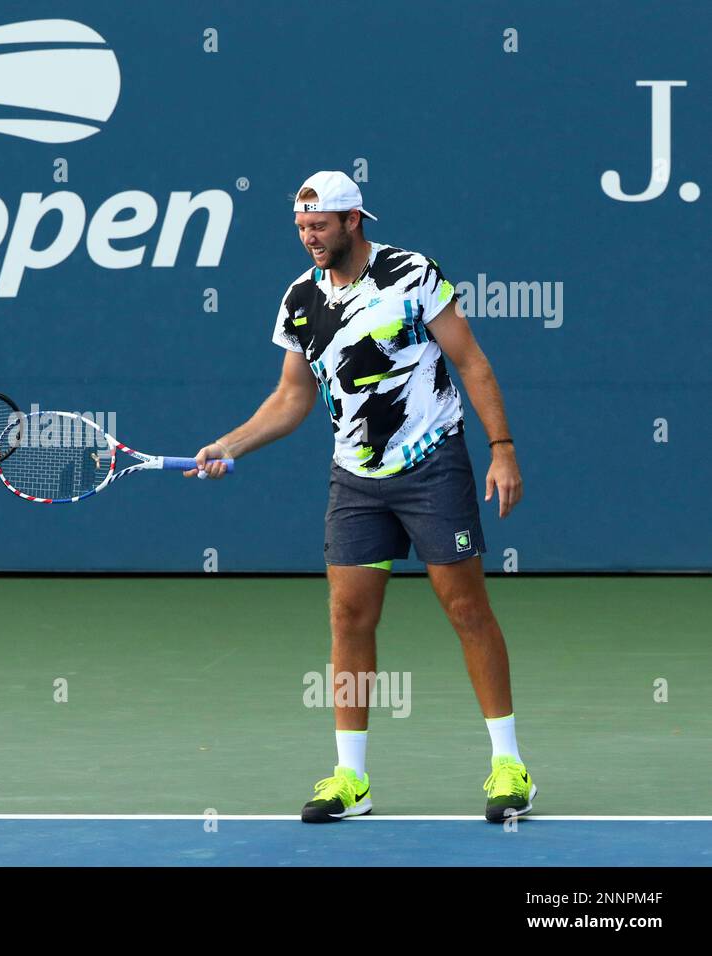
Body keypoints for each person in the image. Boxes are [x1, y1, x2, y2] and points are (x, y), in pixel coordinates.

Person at [190, 172, 533, 823]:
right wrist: (231, 443)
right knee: (349, 618)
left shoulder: (411, 273)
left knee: (465, 607)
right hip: (355, 479)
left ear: (353, 221)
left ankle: (508, 764)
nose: (309, 237)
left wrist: (503, 447)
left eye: (319, 225)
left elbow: (472, 362)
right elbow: (293, 397)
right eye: (300, 227)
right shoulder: (300, 299)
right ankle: (352, 777)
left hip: (433, 466)